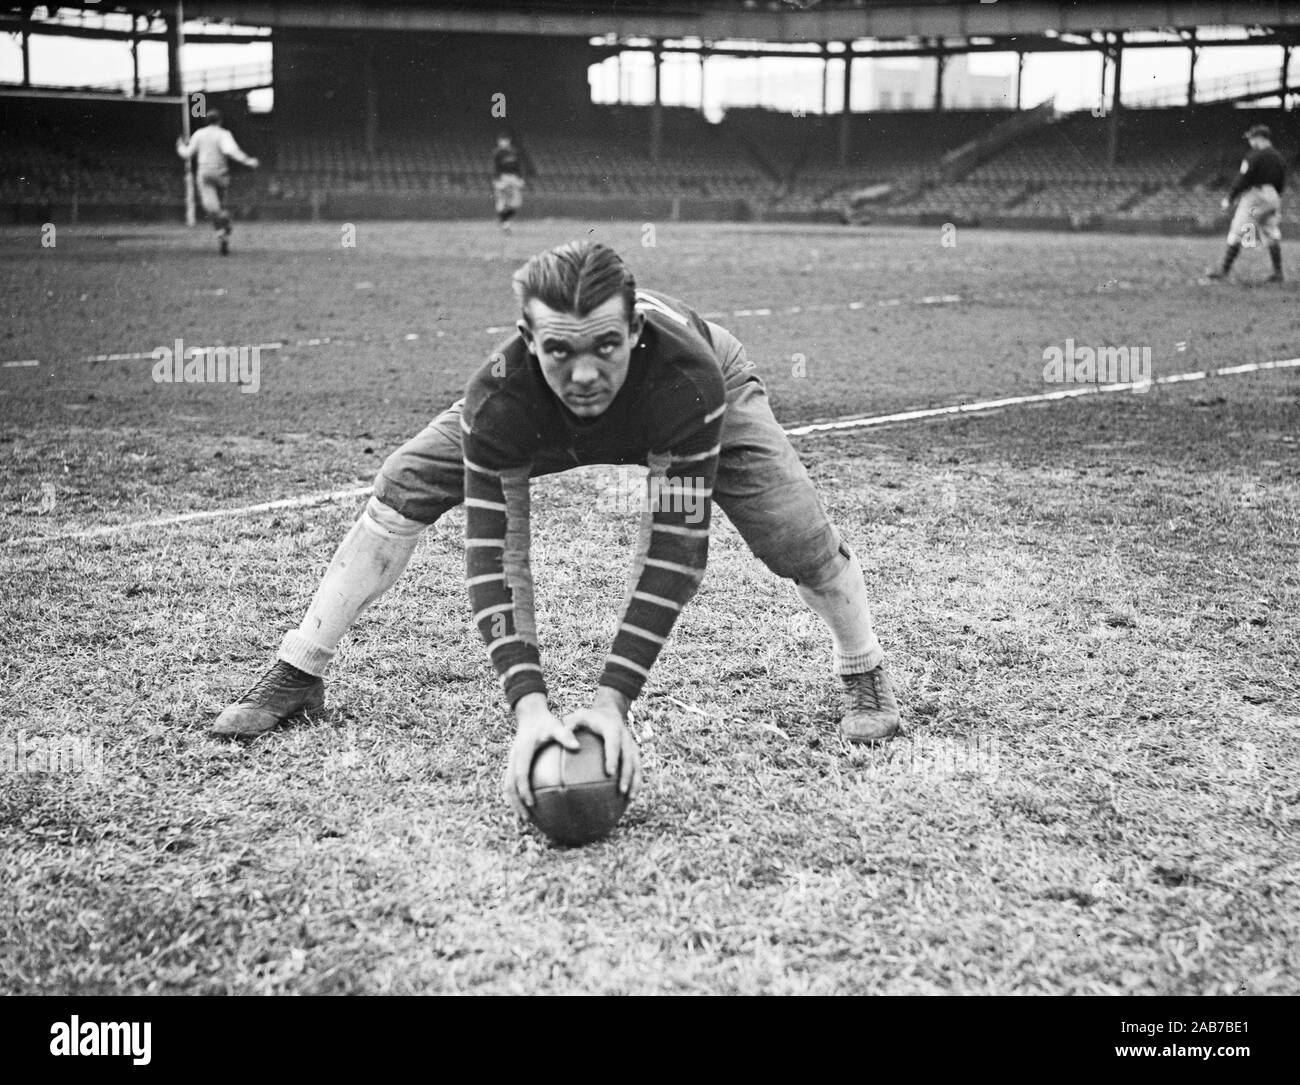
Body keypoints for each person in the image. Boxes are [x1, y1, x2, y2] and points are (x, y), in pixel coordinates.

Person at [211, 241, 902, 815]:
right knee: (403, 483)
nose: (584, 374)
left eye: (605, 345)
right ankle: (300, 667)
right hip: (545, 423)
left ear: (634, 331)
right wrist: (530, 710)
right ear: (526, 342)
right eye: (559, 350)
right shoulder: (503, 395)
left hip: (688, 389)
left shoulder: (686, 376)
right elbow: (498, 560)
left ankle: (863, 666)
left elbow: (673, 551)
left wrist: (611, 704)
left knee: (794, 534)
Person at [1206, 123, 1286, 283]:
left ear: (1259, 138)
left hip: (1255, 195)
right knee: (1271, 232)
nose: (1250, 141)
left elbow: (1243, 179)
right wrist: (1272, 199)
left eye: (1251, 138)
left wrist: (1229, 198)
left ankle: (1224, 270)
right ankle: (1278, 273)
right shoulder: (1279, 157)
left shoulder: (1254, 155)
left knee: (1237, 230)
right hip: (1272, 197)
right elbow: (1281, 183)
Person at [175, 110, 259, 255]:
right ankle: (222, 236)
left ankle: (223, 223)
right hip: (221, 174)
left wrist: (179, 146)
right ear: (219, 121)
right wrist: (248, 161)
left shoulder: (199, 134)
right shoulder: (223, 134)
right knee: (219, 206)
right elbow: (231, 151)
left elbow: (187, 154)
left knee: (213, 209)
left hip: (205, 172)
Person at [491, 133, 526, 233]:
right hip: (503, 177)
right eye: (501, 140)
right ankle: (505, 224)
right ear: (498, 142)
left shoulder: (514, 152)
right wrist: (496, 180)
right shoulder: (497, 153)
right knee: (501, 203)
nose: (503, 142)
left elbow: (519, 166)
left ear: (509, 140)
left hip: (513, 177)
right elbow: (495, 167)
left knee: (516, 204)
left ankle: (503, 220)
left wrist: (521, 178)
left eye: (505, 140)